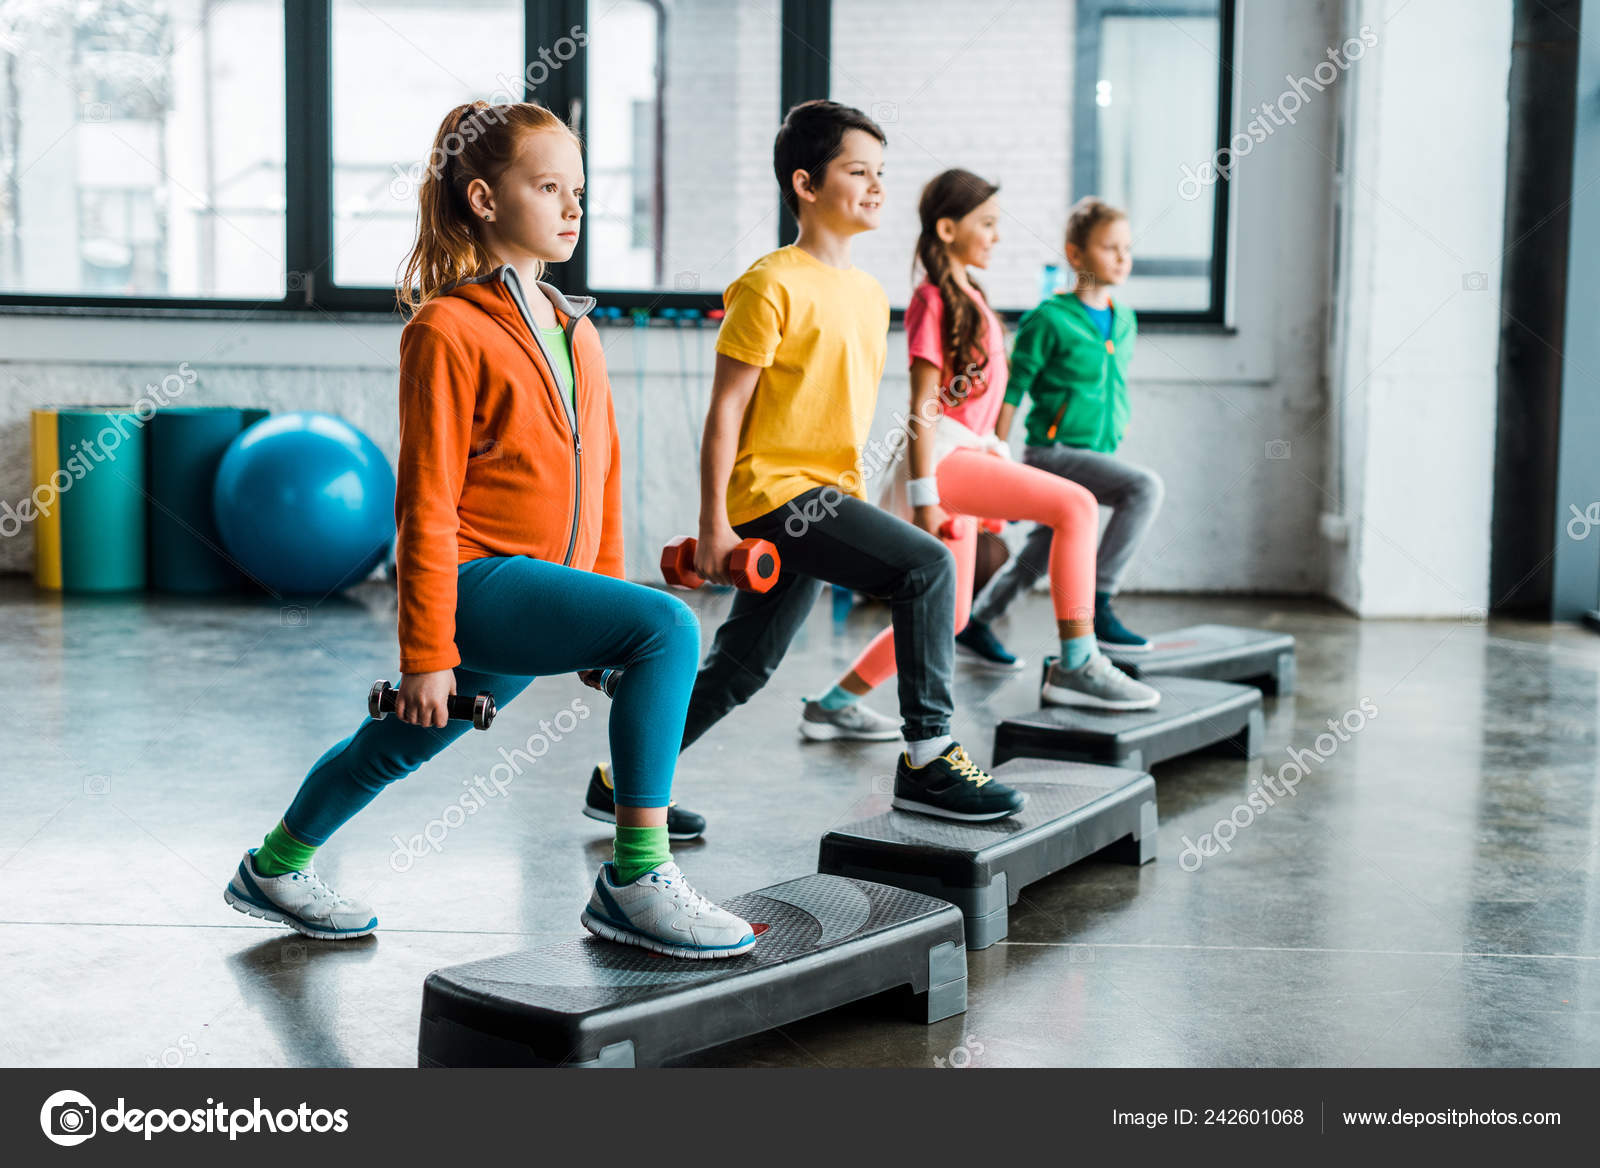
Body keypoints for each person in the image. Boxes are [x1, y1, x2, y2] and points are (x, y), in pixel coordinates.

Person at [223, 100, 754, 959]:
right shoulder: (447, 328)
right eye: (548, 187)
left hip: (534, 592)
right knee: (669, 625)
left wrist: (603, 611)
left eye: (578, 189)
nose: (573, 207)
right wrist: (426, 655)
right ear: (482, 199)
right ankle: (635, 879)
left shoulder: (576, 329)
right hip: (475, 580)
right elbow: (424, 503)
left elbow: (604, 477)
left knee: (395, 744)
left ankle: (275, 866)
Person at [585, 101, 1026, 826]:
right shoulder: (770, 284)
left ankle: (621, 781)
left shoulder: (868, 293)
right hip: (775, 495)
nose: (878, 186)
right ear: (806, 184)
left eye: (882, 172)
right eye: (858, 171)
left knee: (741, 669)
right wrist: (716, 527)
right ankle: (929, 756)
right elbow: (725, 411)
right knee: (928, 569)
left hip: (825, 497)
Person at [800, 170, 1158, 735]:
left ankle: (833, 703)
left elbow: (983, 412)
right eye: (986, 224)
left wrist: (995, 468)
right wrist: (926, 499)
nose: (997, 236)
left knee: (953, 615)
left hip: (968, 458)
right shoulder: (931, 298)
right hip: (940, 462)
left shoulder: (974, 297)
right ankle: (1079, 662)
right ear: (948, 228)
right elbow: (923, 406)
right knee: (1079, 507)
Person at [965, 196, 1164, 655]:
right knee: (1144, 488)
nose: (1122, 257)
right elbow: (1012, 391)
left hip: (1098, 453)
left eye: (1127, 248)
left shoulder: (1125, 319)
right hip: (1053, 454)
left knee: (1040, 551)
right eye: (1109, 247)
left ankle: (977, 622)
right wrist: (995, 453)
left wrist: (1119, 423)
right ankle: (1099, 597)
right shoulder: (1048, 319)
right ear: (1076, 254)